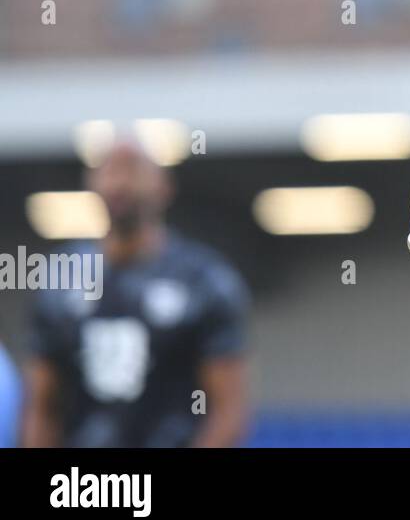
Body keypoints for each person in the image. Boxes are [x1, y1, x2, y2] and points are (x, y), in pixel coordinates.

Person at [22, 138, 251, 447]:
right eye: (110, 169)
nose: (120, 182)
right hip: (86, 490)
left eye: (133, 169)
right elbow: (41, 407)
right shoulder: (60, 280)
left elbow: (228, 410)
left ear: (164, 187)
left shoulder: (204, 281)